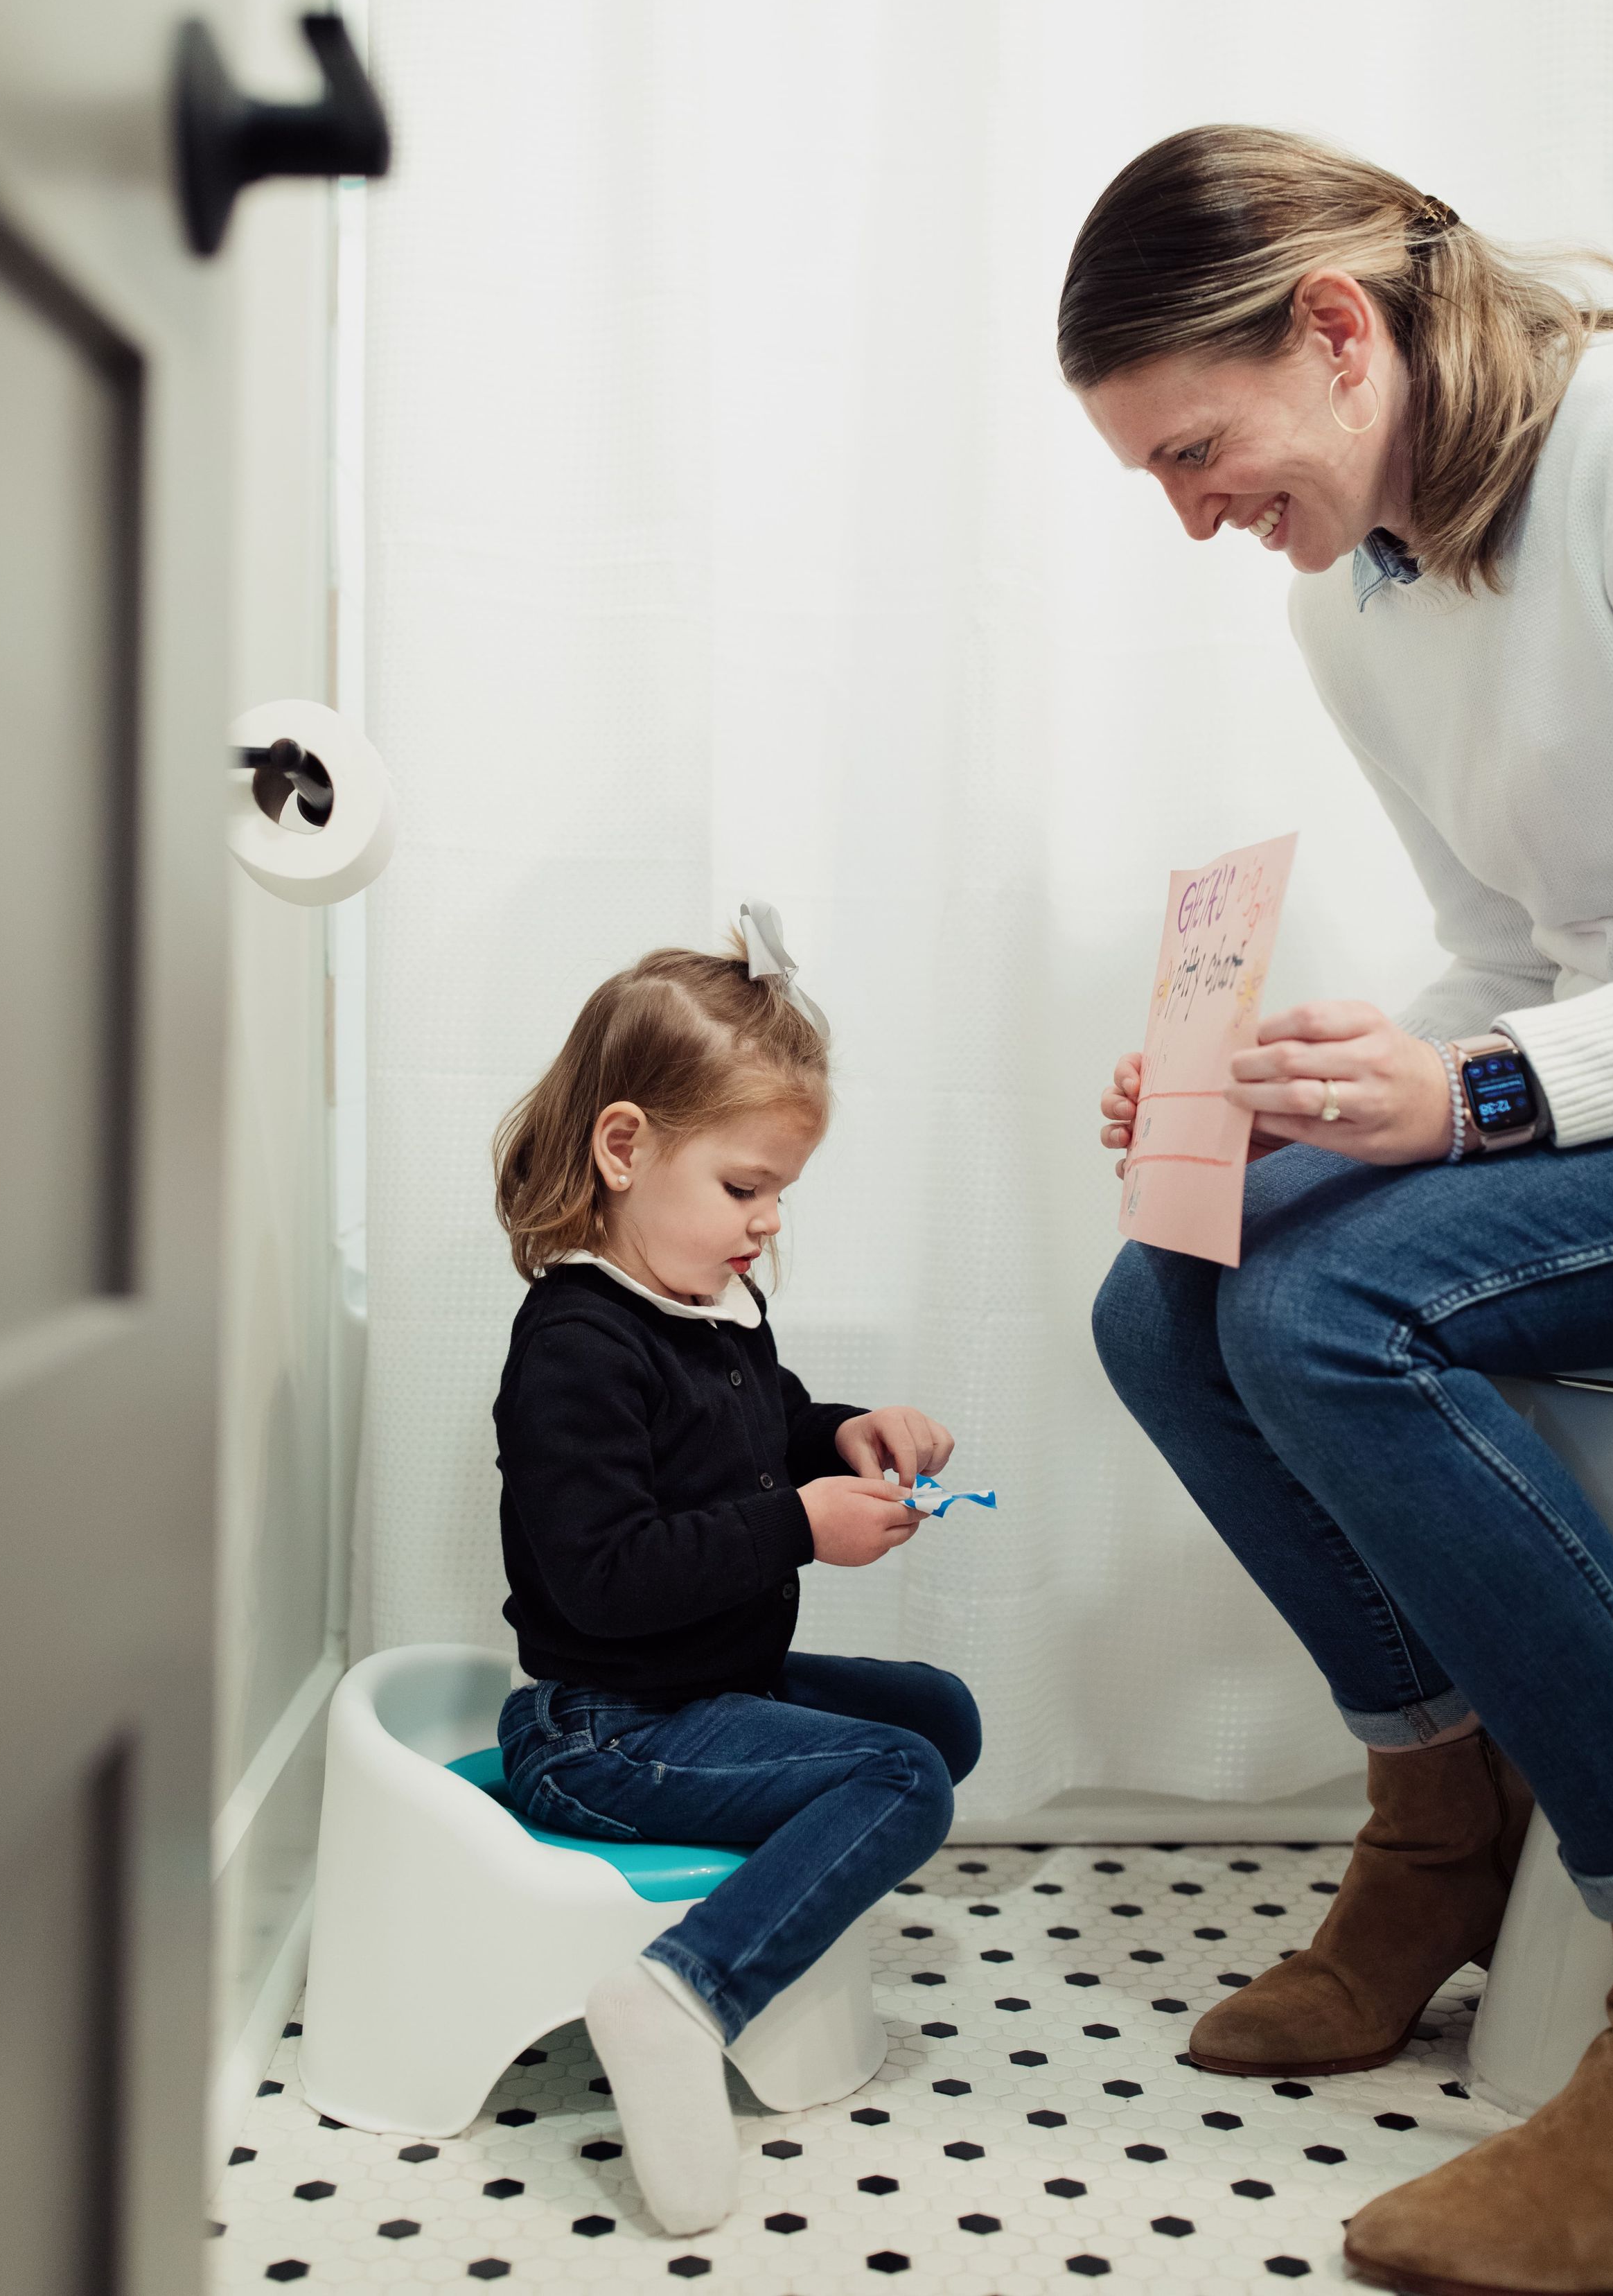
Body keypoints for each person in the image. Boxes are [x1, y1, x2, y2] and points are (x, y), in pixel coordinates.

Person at [1063, 125, 1613, 2296]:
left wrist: (1472, 1096)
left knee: (1331, 1319)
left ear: (1334, 330)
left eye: (1195, 452)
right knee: (1172, 1288)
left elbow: (1525, 1040)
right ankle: (1437, 1825)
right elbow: (1521, 947)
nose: (1197, 516)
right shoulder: (1352, 600)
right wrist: (1314, 1085)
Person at [488, 912, 981, 2237]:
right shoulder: (576, 1345)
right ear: (626, 1146)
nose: (765, 1225)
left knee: (939, 1713)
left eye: (780, 1196)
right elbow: (605, 1580)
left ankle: (764, 1904)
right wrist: (800, 1528)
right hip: (602, 1729)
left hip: (703, 1686)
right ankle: (681, 1993)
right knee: (902, 1774)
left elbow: (766, 1428)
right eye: (745, 1188)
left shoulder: (702, 1302)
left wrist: (847, 1435)